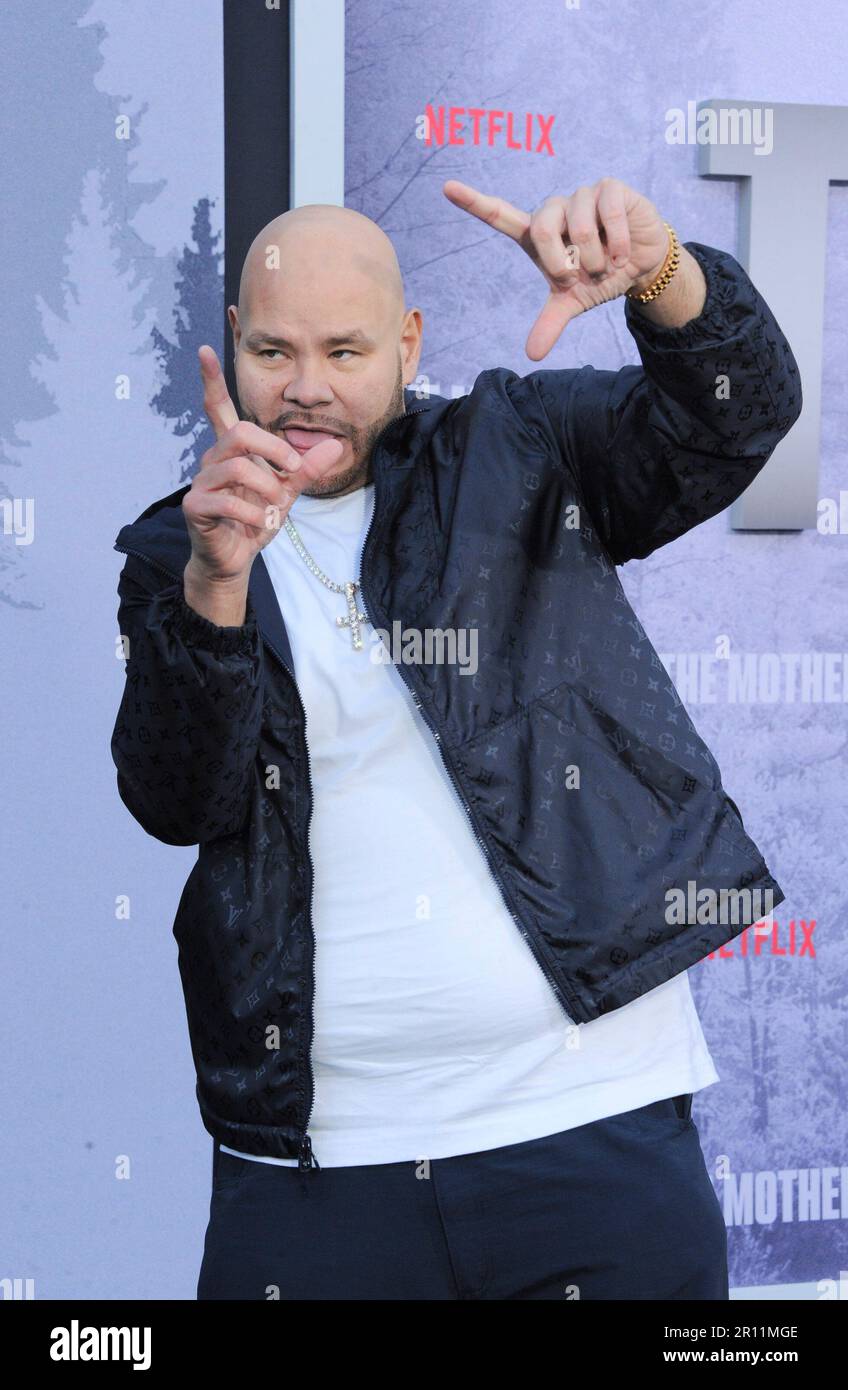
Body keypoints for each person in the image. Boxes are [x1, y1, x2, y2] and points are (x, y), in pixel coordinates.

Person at [111, 177, 801, 1300]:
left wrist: (665, 275)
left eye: (345, 350)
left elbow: (733, 417)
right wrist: (214, 587)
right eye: (275, 352)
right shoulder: (175, 552)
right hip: (315, 1175)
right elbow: (173, 799)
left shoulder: (514, 449)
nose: (307, 390)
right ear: (232, 343)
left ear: (407, 341)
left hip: (591, 1135)